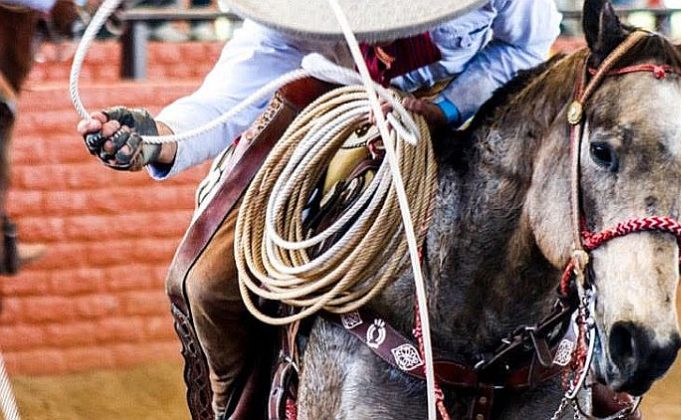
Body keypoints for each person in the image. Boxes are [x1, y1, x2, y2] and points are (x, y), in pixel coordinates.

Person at [77, 0, 562, 417]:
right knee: (208, 282)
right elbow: (232, 94)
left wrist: (449, 108)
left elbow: (523, 46)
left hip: (472, 115)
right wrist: (159, 138)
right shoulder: (289, 13)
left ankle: (589, 375)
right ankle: (238, 408)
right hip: (334, 109)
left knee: (569, 226)